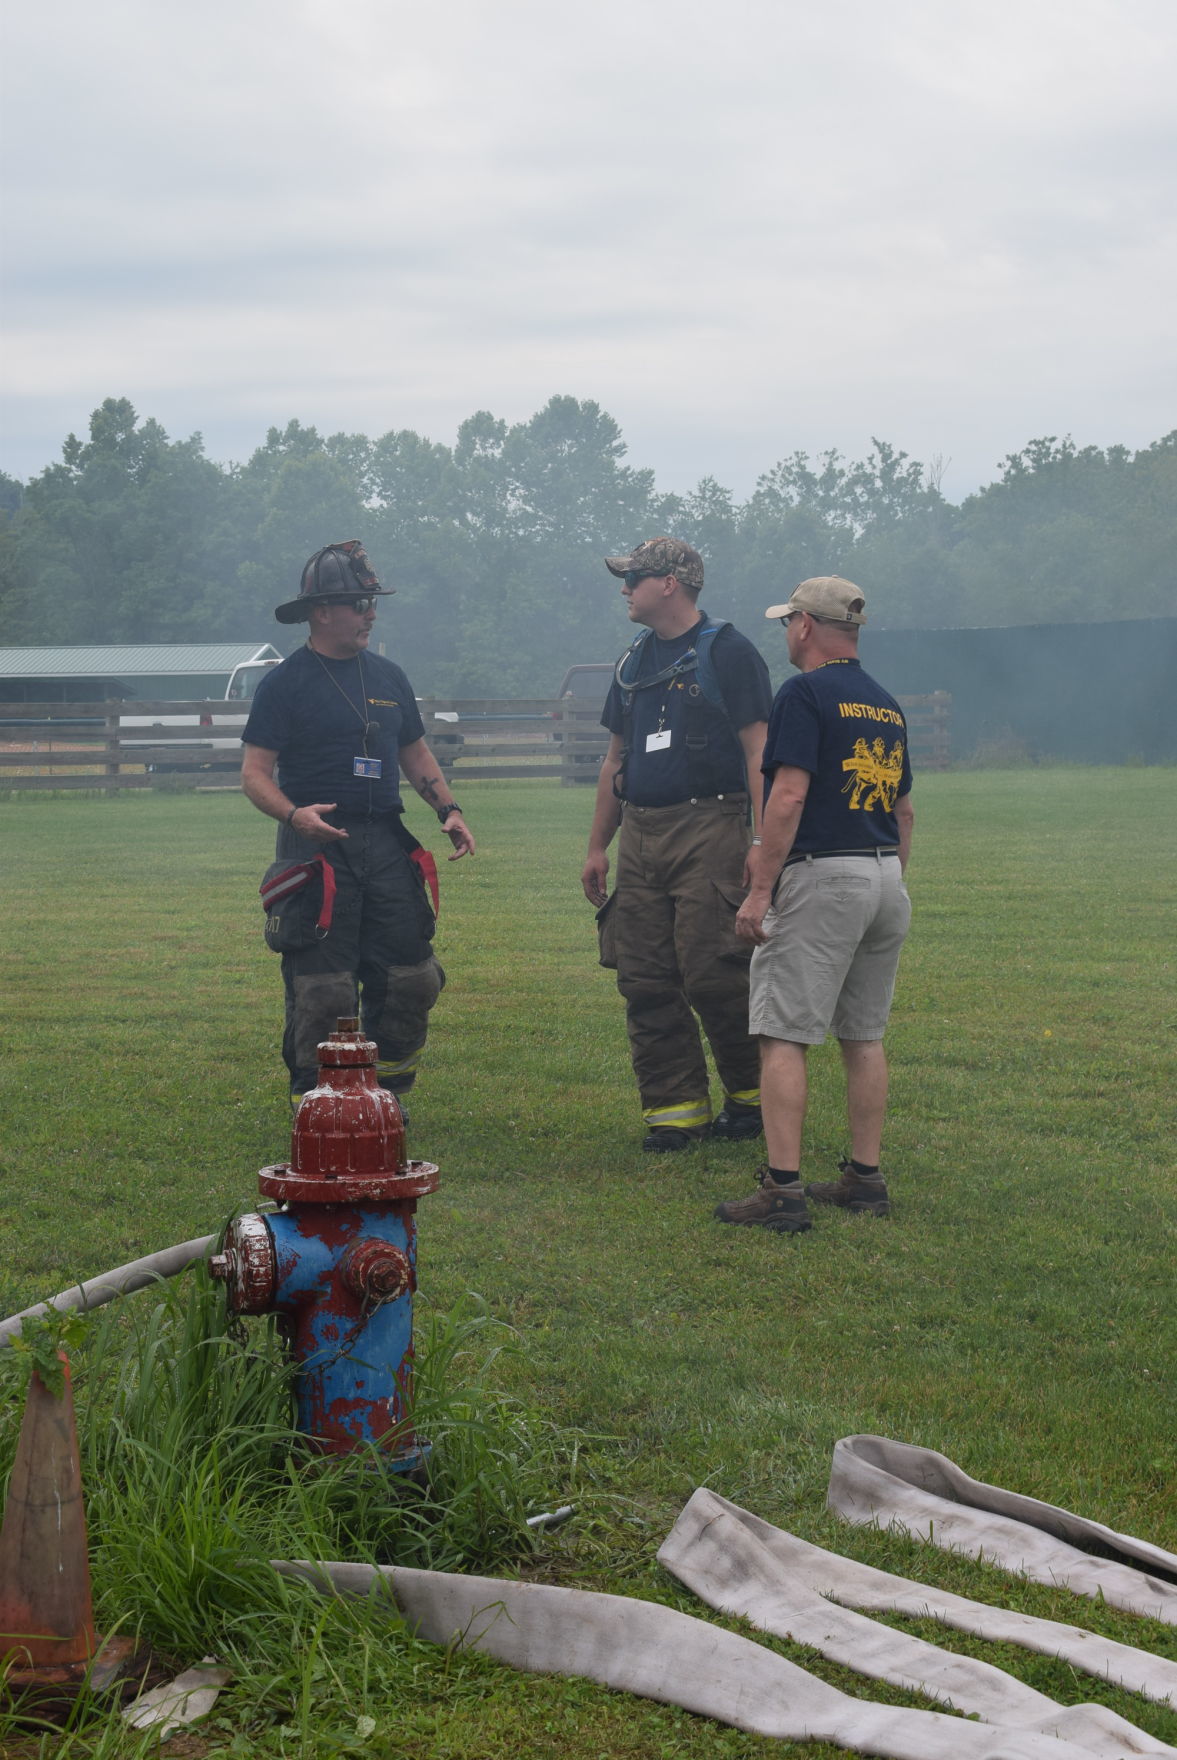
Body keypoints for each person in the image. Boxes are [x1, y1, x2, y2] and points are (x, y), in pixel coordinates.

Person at [241, 540, 474, 1103]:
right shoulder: (285, 683)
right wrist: (296, 814)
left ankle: (387, 1099)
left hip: (385, 845)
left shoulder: (390, 678)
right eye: (361, 603)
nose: (372, 613)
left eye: (373, 602)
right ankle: (320, 1105)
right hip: (316, 849)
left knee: (412, 979)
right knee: (325, 990)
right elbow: (254, 773)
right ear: (322, 611)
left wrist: (449, 809)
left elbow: (414, 753)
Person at [714, 575, 913, 1233]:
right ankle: (865, 1178)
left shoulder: (802, 692)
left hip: (824, 876)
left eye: (787, 622)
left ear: (804, 624)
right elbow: (902, 809)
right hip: (884, 875)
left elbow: (789, 796)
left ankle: (783, 1190)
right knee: (862, 1034)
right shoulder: (884, 704)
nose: (785, 633)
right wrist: (889, 878)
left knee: (782, 1035)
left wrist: (761, 890)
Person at [581, 536, 772, 1152]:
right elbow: (616, 758)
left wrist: (763, 842)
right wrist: (597, 847)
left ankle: (751, 1101)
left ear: (669, 583)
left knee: (715, 972)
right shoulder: (632, 662)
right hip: (639, 832)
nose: (624, 589)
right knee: (642, 975)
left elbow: (758, 754)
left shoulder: (731, 652)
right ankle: (675, 1113)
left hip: (711, 826)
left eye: (632, 578)